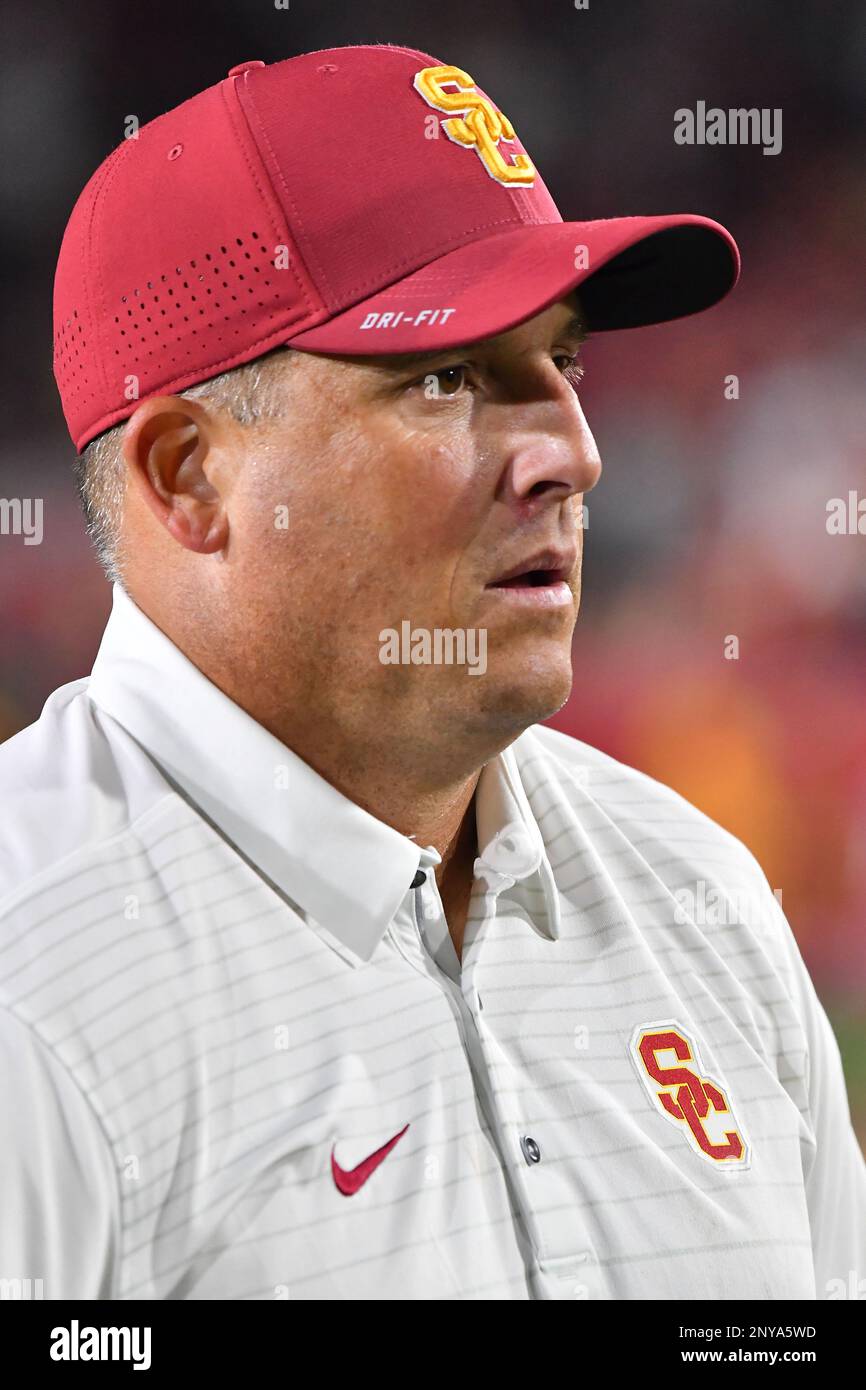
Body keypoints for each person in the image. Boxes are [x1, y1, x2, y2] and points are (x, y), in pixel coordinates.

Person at [1, 43, 863, 1302]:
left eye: (561, 364)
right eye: (446, 378)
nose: (572, 453)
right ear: (188, 477)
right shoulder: (33, 982)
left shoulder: (703, 899)